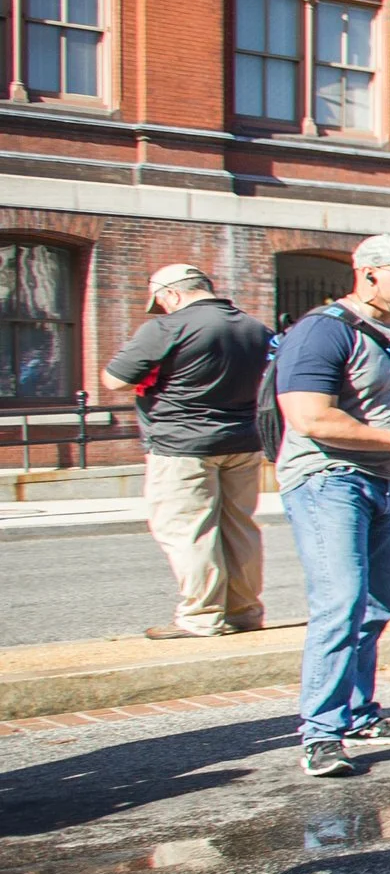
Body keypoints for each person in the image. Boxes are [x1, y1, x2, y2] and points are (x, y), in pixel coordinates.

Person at [271, 235, 390, 778]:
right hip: (329, 478)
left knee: (376, 605)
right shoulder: (321, 332)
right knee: (341, 602)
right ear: (369, 272)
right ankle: (321, 734)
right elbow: (310, 418)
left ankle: (358, 713)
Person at [102, 263, 273, 640]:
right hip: (243, 441)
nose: (162, 309)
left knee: (189, 530)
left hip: (181, 444)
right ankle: (245, 612)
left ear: (173, 294)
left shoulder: (168, 327)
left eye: (161, 301)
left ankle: (202, 617)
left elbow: (114, 379)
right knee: (239, 527)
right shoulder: (255, 329)